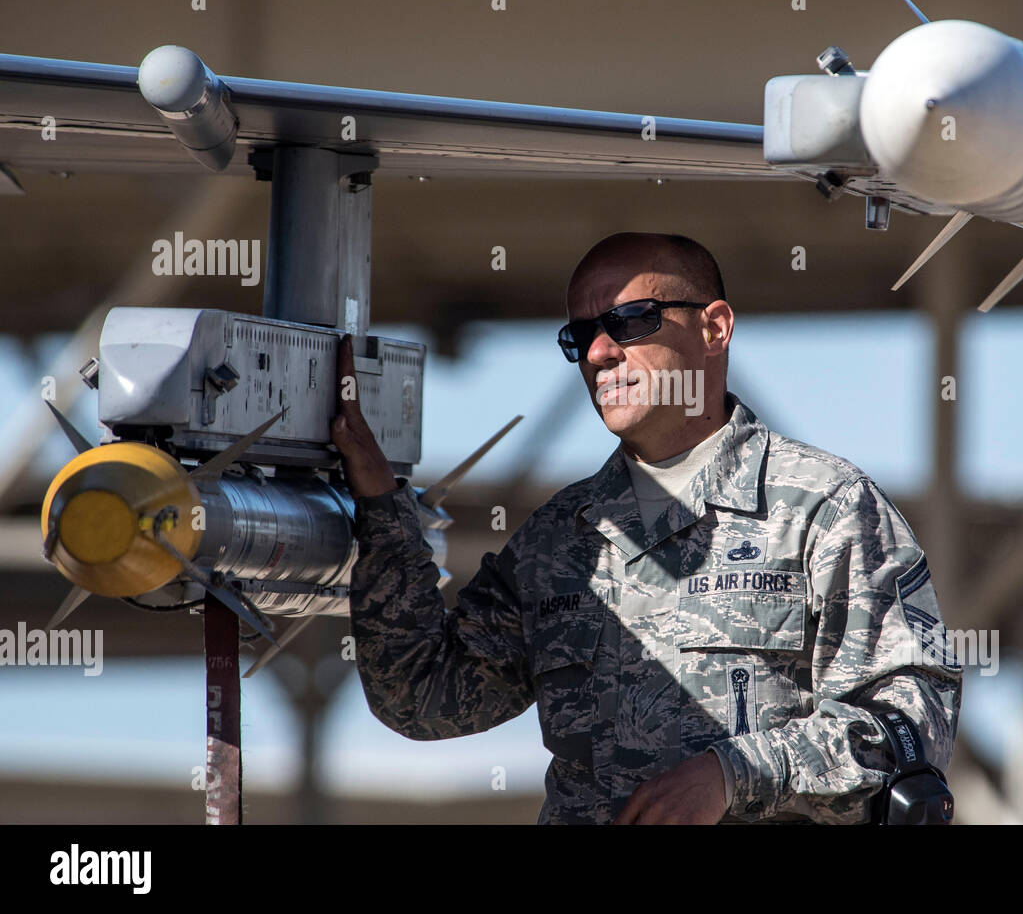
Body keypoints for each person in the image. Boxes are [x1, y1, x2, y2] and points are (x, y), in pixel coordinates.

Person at [332, 231, 962, 824]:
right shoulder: (557, 543)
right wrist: (383, 509)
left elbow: (912, 724)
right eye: (581, 336)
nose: (601, 351)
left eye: (631, 321)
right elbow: (421, 696)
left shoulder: (824, 509)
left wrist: (732, 775)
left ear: (714, 328)